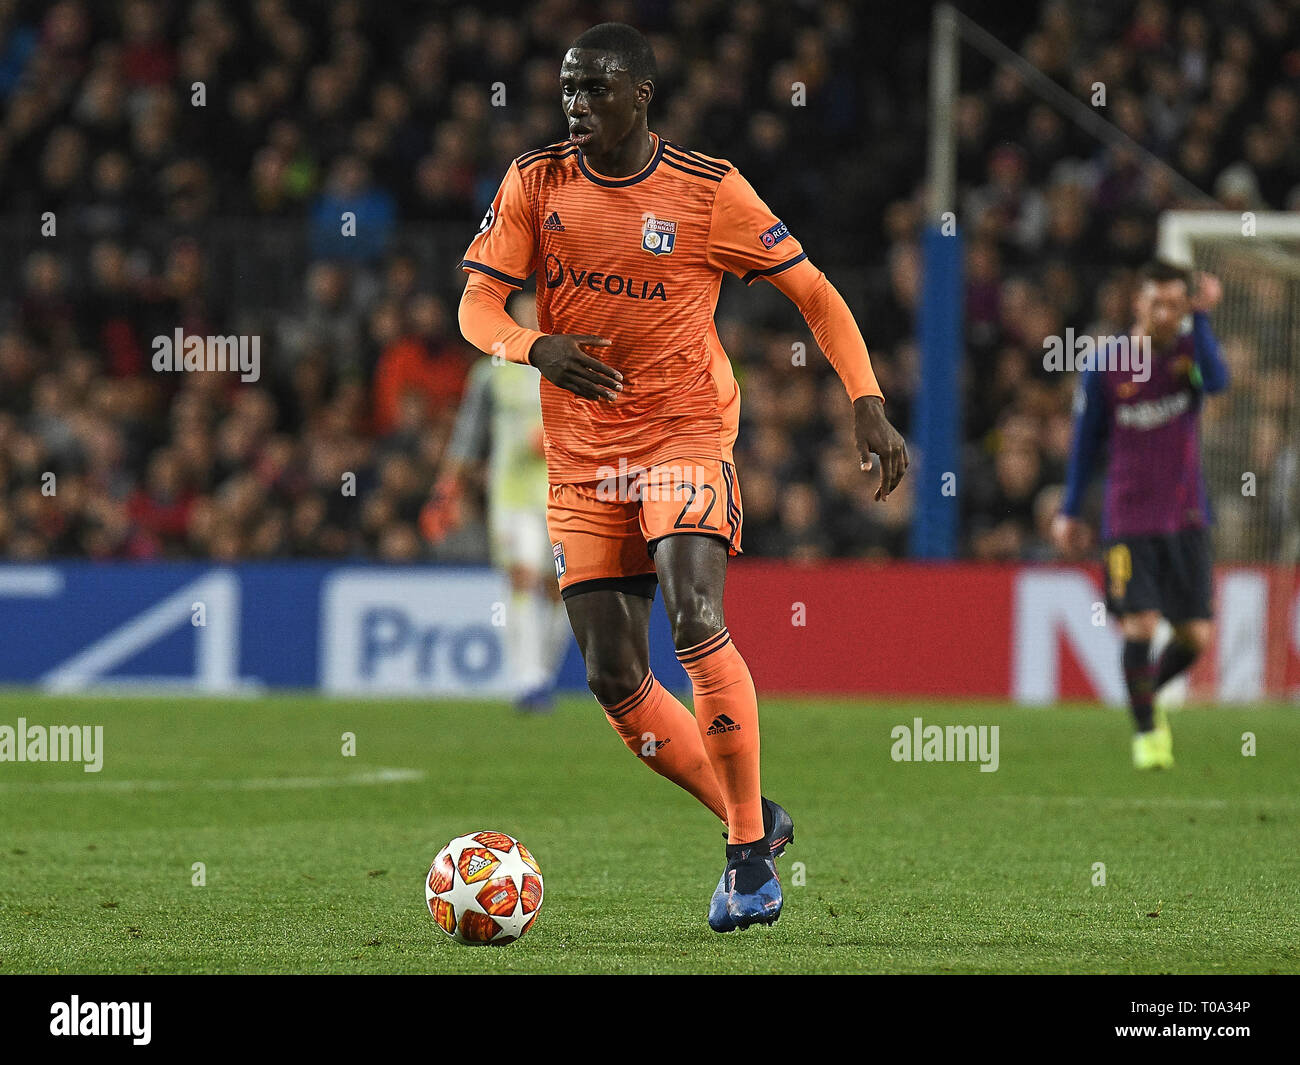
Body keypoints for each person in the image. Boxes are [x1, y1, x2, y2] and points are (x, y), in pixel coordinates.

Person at [456, 22, 907, 931]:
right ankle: (756, 818)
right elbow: (473, 304)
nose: (576, 106)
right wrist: (533, 344)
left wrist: (865, 397)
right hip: (583, 457)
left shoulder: (709, 192)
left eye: (595, 90)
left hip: (685, 433)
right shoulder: (533, 182)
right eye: (568, 90)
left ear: (642, 95)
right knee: (612, 674)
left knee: (696, 614)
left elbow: (814, 293)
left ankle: (746, 862)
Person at [1054, 262, 1228, 769]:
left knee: (1196, 637)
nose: (1166, 313)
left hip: (1187, 516)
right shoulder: (1107, 365)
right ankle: (1148, 733)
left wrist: (1205, 319)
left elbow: (1217, 382)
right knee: (1141, 625)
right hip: (1128, 522)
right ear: (1139, 303)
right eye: (1158, 303)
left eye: (1177, 304)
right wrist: (1068, 510)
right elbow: (1085, 446)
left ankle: (1143, 694)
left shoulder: (1189, 354)